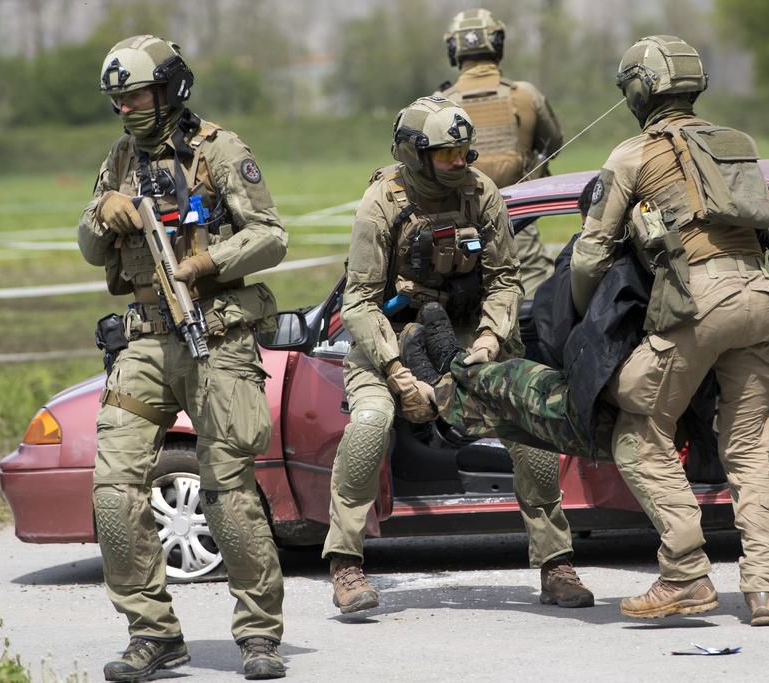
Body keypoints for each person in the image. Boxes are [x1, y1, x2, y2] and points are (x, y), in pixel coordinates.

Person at [408, 35, 769, 628]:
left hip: (699, 306)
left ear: (638, 92)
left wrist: (584, 317)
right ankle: (765, 590)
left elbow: (589, 256)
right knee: (747, 451)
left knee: (638, 434)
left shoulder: (633, 155)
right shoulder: (737, 144)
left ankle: (686, 573)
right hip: (762, 304)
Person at [326, 95, 593, 615]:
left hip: (472, 333)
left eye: (464, 151)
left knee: (531, 427)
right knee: (369, 426)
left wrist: (490, 342)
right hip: (392, 337)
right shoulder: (382, 201)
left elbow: (503, 280)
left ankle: (555, 563)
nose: (459, 162)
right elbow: (357, 302)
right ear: (414, 154)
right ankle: (345, 563)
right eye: (447, 154)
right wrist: (398, 373)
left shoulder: (481, 192)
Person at [77, 35, 287, 680]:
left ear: (170, 90)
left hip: (216, 334)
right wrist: (102, 214)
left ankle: (258, 634)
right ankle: (153, 633)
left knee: (228, 489)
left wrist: (204, 263)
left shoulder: (219, 151)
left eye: (136, 96)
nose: (127, 110)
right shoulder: (120, 159)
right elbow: (89, 247)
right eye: (117, 100)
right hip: (144, 339)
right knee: (113, 490)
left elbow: (271, 236)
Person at [438, 8, 564, 298]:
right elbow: (553, 143)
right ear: (497, 44)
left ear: (453, 49)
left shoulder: (441, 105)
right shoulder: (525, 96)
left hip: (461, 232)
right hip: (521, 225)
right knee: (534, 303)